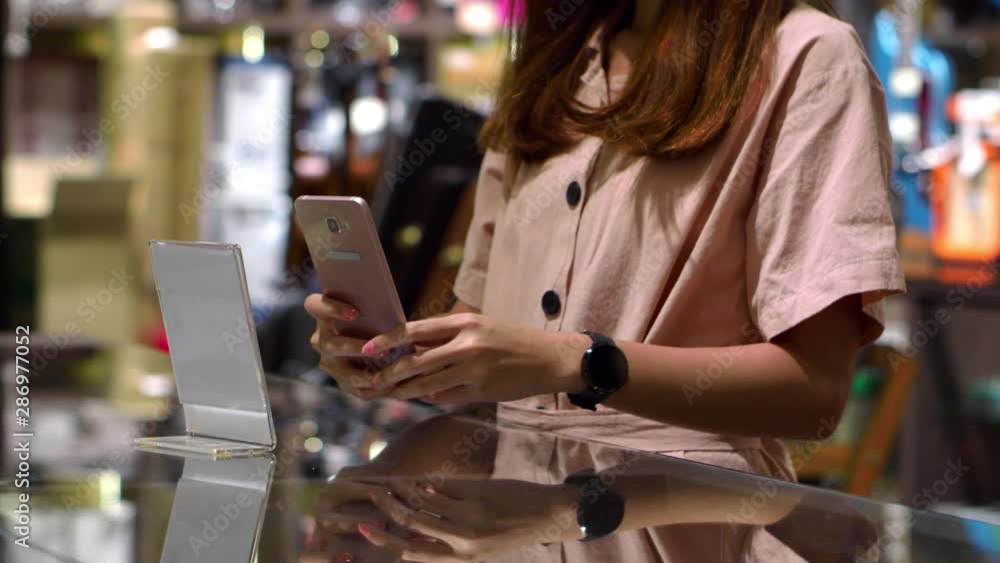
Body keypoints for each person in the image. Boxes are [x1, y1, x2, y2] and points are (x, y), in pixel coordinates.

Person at [305, 0, 904, 485]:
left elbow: (814, 394)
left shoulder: (808, 55)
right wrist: (398, 358)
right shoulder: (554, 66)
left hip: (697, 518)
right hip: (510, 519)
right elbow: (482, 347)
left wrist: (575, 362)